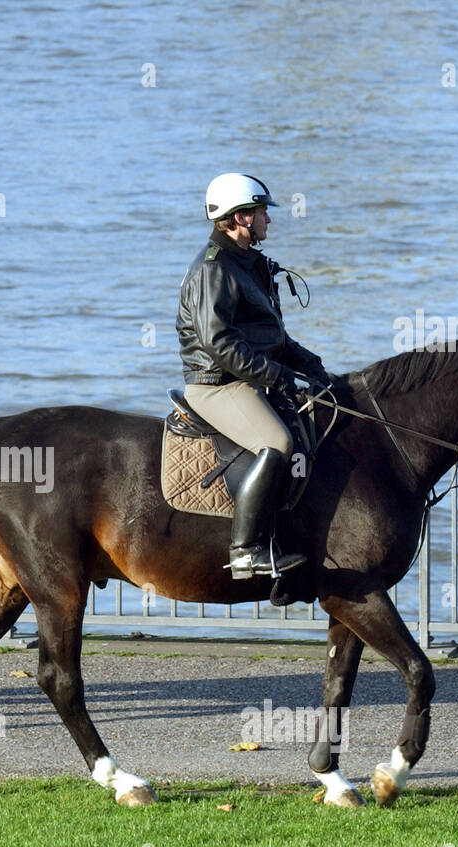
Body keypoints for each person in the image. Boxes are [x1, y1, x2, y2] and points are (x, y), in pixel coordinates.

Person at [175, 172, 330, 579]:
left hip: (248, 376)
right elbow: (218, 343)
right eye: (262, 212)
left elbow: (270, 336)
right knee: (275, 441)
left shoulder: (251, 264)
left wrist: (311, 364)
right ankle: (246, 551)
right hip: (217, 384)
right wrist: (277, 375)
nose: (268, 220)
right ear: (240, 217)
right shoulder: (214, 269)